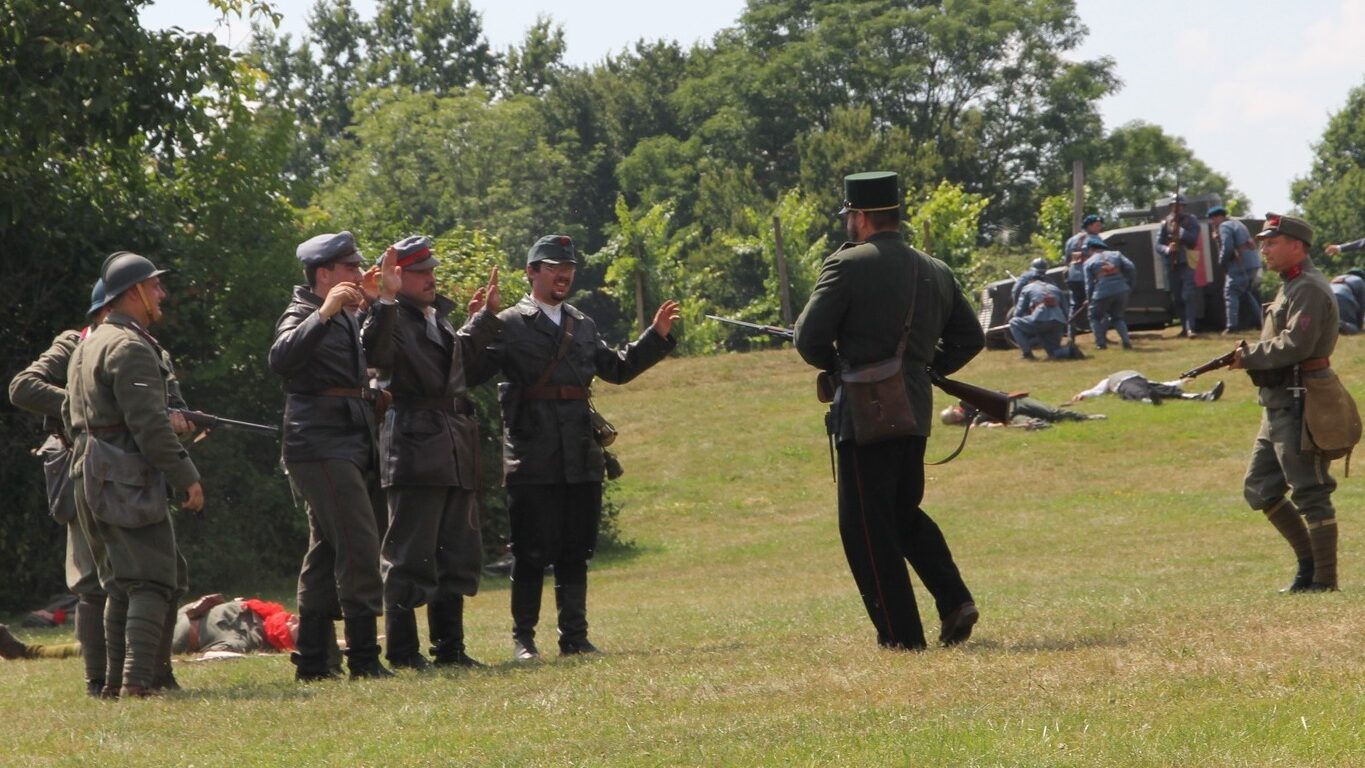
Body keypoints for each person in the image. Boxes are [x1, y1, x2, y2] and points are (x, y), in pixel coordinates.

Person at [794, 171, 984, 651]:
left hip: (865, 411)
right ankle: (955, 600)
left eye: (849, 216)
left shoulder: (847, 265)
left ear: (859, 216)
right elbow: (970, 337)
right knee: (901, 513)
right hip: (914, 408)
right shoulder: (935, 268)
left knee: (864, 528)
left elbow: (808, 338)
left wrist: (836, 365)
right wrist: (920, 369)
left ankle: (902, 639)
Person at [472, 235, 678, 661]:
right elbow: (471, 371)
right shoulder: (508, 323)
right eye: (552, 266)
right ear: (531, 272)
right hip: (532, 454)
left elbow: (616, 369)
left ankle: (575, 637)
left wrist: (654, 337)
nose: (563, 274)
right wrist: (482, 323)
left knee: (575, 551)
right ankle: (523, 641)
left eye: (568, 268)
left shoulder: (581, 324)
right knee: (529, 552)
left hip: (580, 455)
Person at [62, 251, 204, 699]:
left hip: (89, 469)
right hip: (123, 473)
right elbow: (149, 426)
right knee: (151, 579)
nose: (161, 294)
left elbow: (69, 415)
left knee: (120, 582)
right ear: (135, 292)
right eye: (155, 285)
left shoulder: (89, 343)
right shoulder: (129, 346)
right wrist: (186, 475)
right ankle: (138, 684)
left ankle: (112, 684)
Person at [360, 236, 503, 670]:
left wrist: (484, 320)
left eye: (431, 271)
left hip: (454, 446)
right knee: (408, 556)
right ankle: (404, 652)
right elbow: (376, 352)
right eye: (420, 273)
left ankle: (450, 649)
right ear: (397, 277)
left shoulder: (434, 316)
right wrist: (383, 299)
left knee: (455, 552)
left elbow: (456, 366)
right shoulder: (386, 317)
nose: (430, 279)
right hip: (415, 448)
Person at [269, 232, 396, 681]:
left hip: (347, 439)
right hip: (318, 444)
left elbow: (379, 352)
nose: (359, 275)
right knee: (360, 545)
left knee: (325, 554)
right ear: (325, 275)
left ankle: (314, 661)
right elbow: (281, 358)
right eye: (350, 269)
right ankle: (363, 659)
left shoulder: (347, 315)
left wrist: (384, 303)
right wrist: (322, 314)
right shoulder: (304, 312)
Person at [6, 280, 114, 695]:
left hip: (128, 473)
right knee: (90, 580)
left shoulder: (137, 346)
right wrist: (80, 403)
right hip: (80, 468)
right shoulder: (74, 342)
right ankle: (97, 679)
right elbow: (23, 387)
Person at [1230, 214, 1343, 593]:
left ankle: (1324, 580)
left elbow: (1297, 345)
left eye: (1272, 241)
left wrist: (1250, 356)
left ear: (1298, 246)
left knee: (1310, 490)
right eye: (1263, 242)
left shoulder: (1308, 287)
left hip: (1301, 399)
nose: (1264, 248)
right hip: (1279, 400)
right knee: (1260, 487)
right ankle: (1308, 567)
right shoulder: (1290, 285)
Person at [1209, 206, 1262, 333]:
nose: (1212, 222)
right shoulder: (1238, 223)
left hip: (1239, 264)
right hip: (1252, 262)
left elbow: (1227, 247)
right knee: (1246, 293)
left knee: (1230, 292)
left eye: (1213, 219)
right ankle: (1262, 321)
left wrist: (1222, 262)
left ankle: (1231, 326)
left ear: (1217, 217)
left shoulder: (1224, 226)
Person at [1157, 195, 1203, 337]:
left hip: (1187, 262)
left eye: (1180, 206)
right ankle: (1184, 327)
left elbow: (1193, 239)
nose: (1177, 208)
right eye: (1174, 206)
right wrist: (1167, 248)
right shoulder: (1165, 223)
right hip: (1171, 263)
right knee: (1177, 297)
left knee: (1187, 295)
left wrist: (1181, 232)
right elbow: (1158, 244)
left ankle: (1191, 328)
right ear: (1171, 207)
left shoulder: (1191, 220)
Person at [1083, 235, 1136, 350]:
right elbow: (1131, 267)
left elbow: (1089, 284)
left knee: (1094, 317)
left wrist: (1090, 299)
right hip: (1122, 289)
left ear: (1091, 249)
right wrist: (1129, 285)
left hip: (1102, 292)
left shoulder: (1088, 262)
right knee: (1118, 317)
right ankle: (1126, 342)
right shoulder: (1117, 254)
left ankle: (1101, 344)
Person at [1010, 279, 1084, 360]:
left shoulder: (1027, 288)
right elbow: (1066, 310)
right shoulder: (1055, 288)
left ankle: (1027, 354)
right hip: (1058, 321)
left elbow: (1018, 311)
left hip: (1040, 318)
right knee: (1053, 352)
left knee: (1014, 322)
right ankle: (1070, 351)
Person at [1070, 370, 1224, 405]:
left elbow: (1163, 384)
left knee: (1168, 391)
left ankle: (1206, 396)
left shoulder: (1139, 376)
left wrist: (1181, 382)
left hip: (1142, 382)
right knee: (1137, 393)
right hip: (1125, 385)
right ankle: (1151, 400)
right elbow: (1097, 391)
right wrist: (1083, 394)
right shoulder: (1110, 380)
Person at [940, 399, 1105, 429]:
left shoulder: (967, 401)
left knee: (1053, 412)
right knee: (1029, 424)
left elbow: (986, 404)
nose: (959, 418)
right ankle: (1045, 427)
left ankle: (1086, 417)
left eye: (956, 415)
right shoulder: (968, 424)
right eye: (956, 420)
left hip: (1012, 402)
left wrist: (977, 420)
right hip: (1008, 416)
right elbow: (986, 425)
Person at [1063, 214, 1104, 329]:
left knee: (1074, 306)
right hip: (1089, 277)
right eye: (1097, 225)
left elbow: (1067, 260)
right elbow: (1100, 259)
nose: (1100, 228)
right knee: (1097, 304)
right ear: (1089, 226)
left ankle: (1071, 335)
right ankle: (1100, 335)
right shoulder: (1095, 239)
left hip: (1073, 277)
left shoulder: (1071, 240)